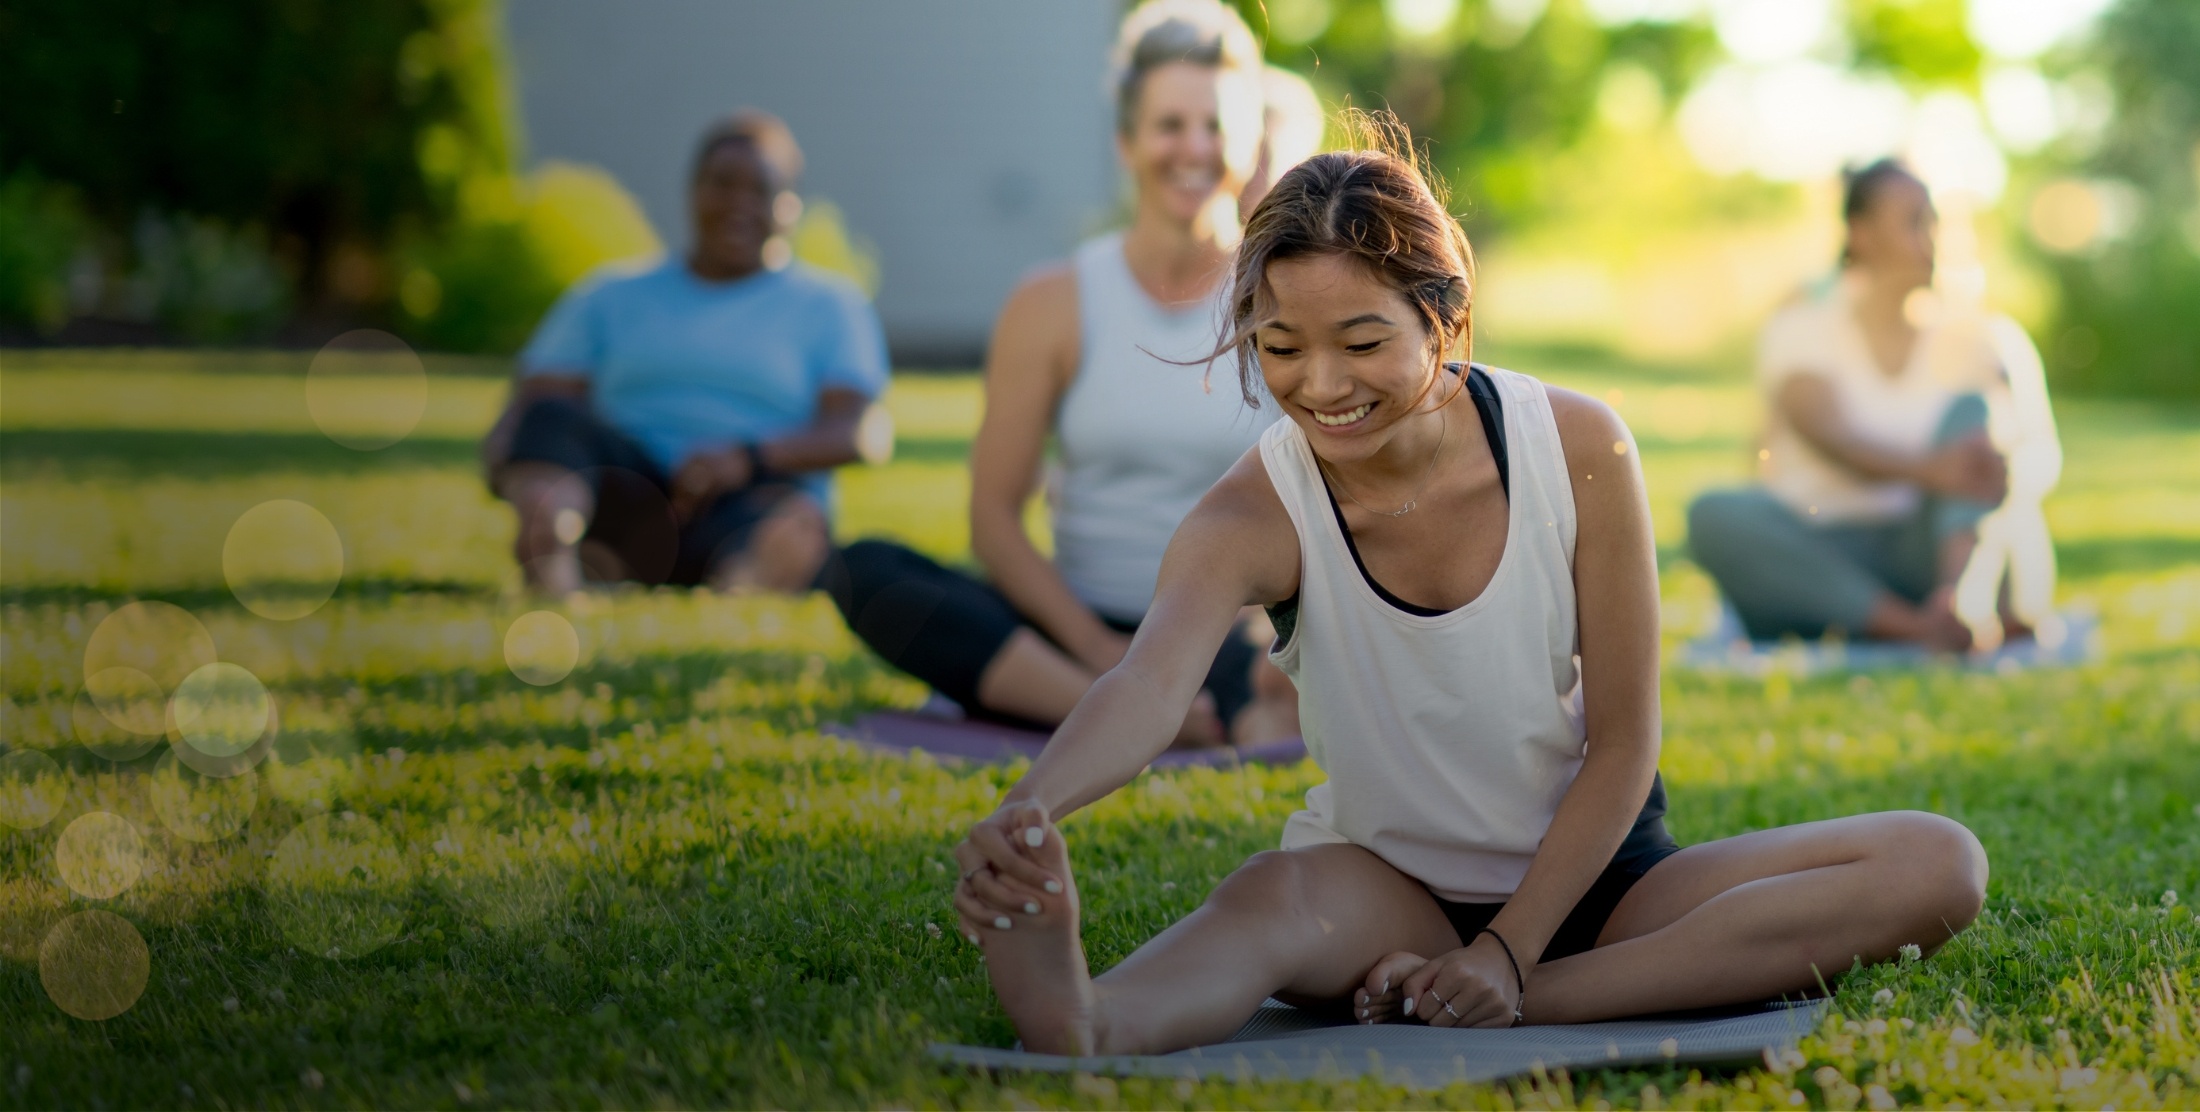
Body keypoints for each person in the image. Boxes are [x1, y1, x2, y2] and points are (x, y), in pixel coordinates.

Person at [946, 119, 1988, 1057]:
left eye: (1362, 342)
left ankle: (1518, 998)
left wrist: (1509, 955)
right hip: (1386, 892)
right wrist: (1029, 813)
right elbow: (1147, 685)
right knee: (1267, 895)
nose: (1321, 385)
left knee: (1937, 861)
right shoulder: (1250, 514)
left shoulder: (1577, 447)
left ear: (1442, 318)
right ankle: (1083, 1014)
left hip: (1601, 884)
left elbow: (1624, 743)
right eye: (1280, 348)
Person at [825, 0, 1297, 748]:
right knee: (865, 572)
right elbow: (993, 520)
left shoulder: (1286, 296)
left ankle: (1143, 709)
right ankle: (1129, 709)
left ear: (1248, 142)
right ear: (1126, 141)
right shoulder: (1052, 300)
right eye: (1170, 124)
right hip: (1079, 632)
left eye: (1216, 126)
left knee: (1312, 677)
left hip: (1229, 638)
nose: (1194, 147)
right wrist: (1103, 653)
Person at [482, 110, 889, 597]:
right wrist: (518, 466)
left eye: (759, 190)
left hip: (752, 495)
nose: (738, 204)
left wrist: (748, 458)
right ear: (693, 191)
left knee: (788, 519)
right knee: (551, 417)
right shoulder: (610, 295)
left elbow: (857, 431)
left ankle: (746, 579)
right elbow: (534, 408)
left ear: (790, 205)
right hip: (625, 495)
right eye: (723, 184)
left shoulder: (831, 305)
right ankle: (553, 557)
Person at [1688, 159, 2062, 651]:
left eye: (1935, 222)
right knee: (1714, 515)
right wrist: (1932, 470)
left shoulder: (1976, 340)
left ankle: (1955, 601)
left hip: (1922, 550)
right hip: (1819, 543)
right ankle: (1916, 629)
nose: (1933, 238)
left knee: (1972, 418)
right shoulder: (1803, 325)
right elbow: (1825, 432)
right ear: (1860, 234)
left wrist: (1996, 469)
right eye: (1914, 222)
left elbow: (2031, 460)